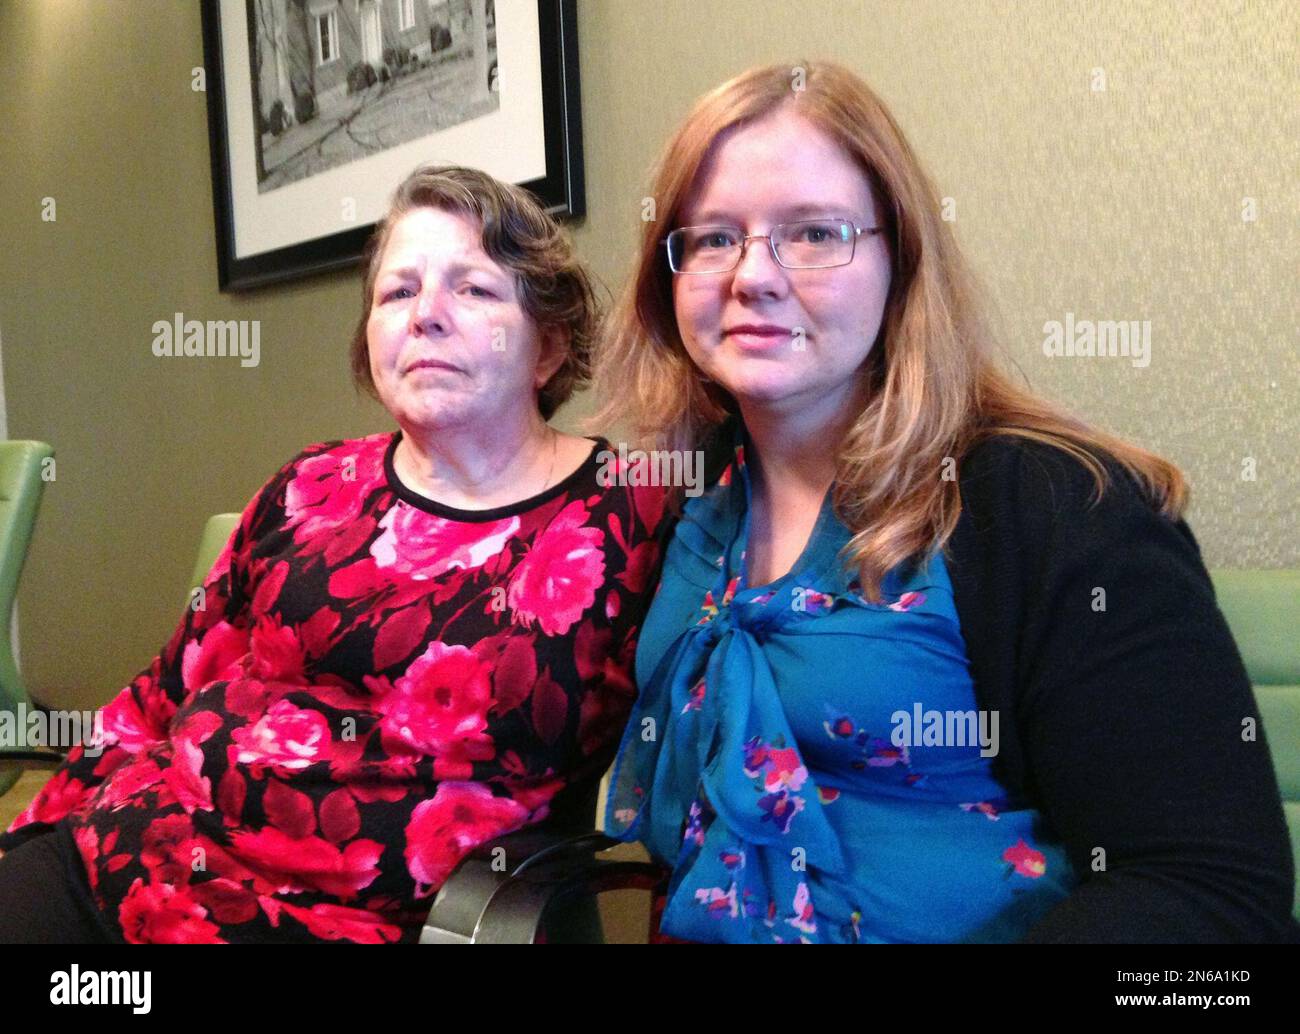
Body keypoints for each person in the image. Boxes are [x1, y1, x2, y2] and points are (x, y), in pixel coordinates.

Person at [591, 61, 1297, 943]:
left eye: (813, 232)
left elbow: (1216, 900)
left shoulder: (1061, 505)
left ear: (902, 257)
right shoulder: (690, 509)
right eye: (711, 238)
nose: (754, 275)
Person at [0, 164, 666, 943]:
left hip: (330, 925)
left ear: (548, 347)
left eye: (475, 289)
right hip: (123, 853)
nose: (427, 316)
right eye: (397, 292)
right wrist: (30, 832)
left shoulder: (631, 510)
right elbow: (162, 690)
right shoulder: (311, 482)